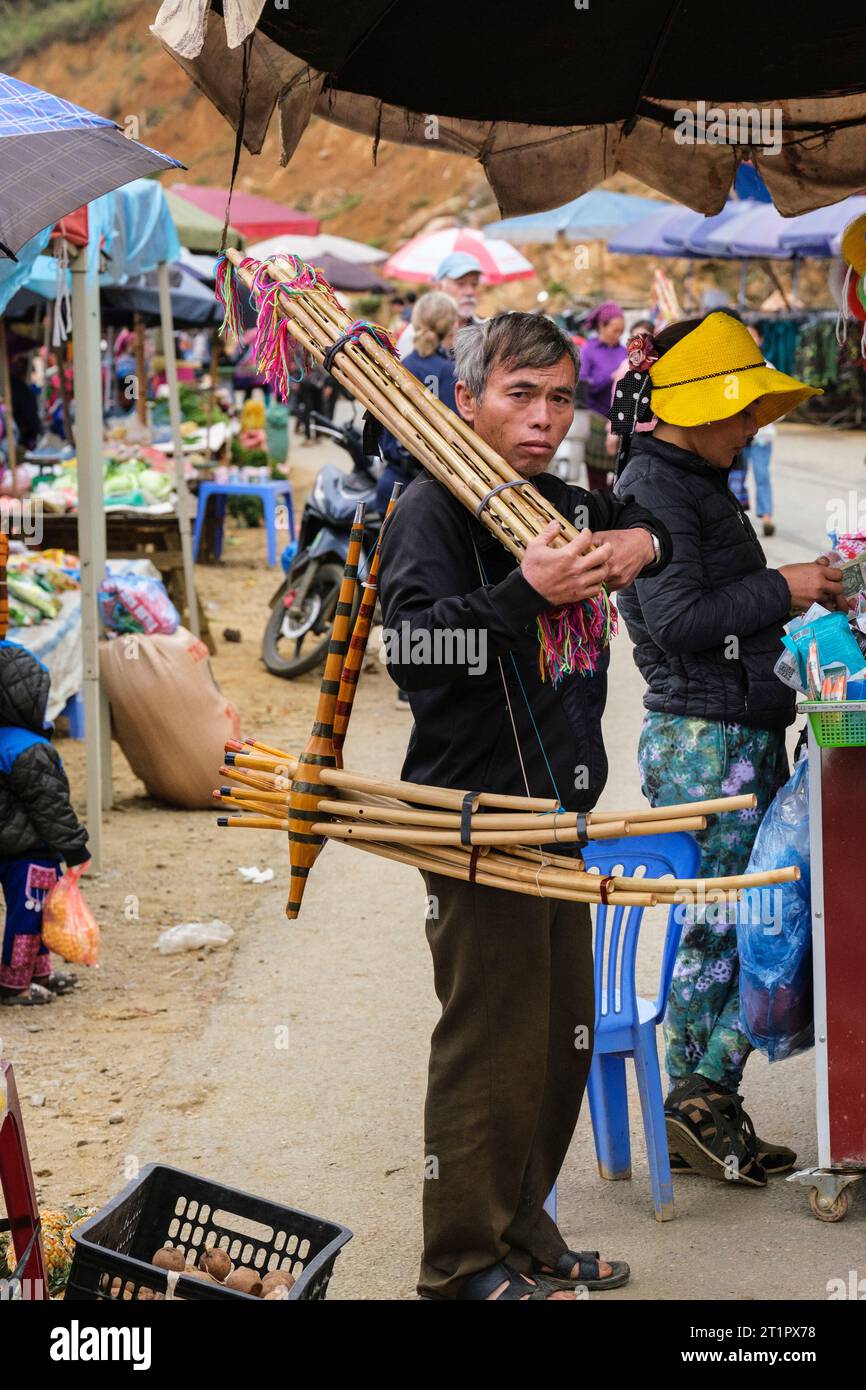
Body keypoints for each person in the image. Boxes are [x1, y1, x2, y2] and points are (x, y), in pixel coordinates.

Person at [378, 311, 672, 1301]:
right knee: (490, 1042)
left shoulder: (548, 499)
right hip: (475, 814)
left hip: (555, 815)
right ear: (466, 401)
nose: (542, 417)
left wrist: (647, 537)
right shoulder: (430, 507)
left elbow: (651, 519)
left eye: (557, 397)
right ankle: (457, 1261)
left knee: (559, 1037)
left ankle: (524, 1233)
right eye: (518, 394)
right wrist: (521, 595)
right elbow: (414, 656)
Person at [612, 312, 843, 1187]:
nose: (753, 430)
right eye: (745, 413)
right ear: (706, 406)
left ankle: (708, 1104)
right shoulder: (654, 490)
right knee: (725, 926)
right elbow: (677, 622)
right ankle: (695, 1103)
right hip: (706, 742)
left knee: (751, 921)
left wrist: (794, 596)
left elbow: (720, 603)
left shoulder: (691, 482)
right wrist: (785, 585)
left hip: (733, 729)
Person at [0, 639, 90, 1005]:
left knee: (35, 916)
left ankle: (40, 973)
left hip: (9, 846)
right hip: (30, 851)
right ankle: (15, 985)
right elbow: (51, 808)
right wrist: (75, 848)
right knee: (31, 916)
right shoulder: (30, 749)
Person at [375, 291, 459, 512]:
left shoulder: (400, 366)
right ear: (450, 326)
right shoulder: (450, 373)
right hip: (429, 495)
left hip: (391, 486)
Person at [578, 302, 627, 493]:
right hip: (596, 420)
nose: (618, 335)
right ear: (602, 326)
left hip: (618, 422)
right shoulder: (589, 351)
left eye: (621, 331)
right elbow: (583, 386)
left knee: (617, 478)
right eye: (615, 330)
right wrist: (610, 377)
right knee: (596, 477)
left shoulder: (624, 352)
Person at [397, 251, 482, 356]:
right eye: (461, 284)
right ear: (439, 287)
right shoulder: (415, 336)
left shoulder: (486, 332)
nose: (470, 292)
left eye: (474, 284)